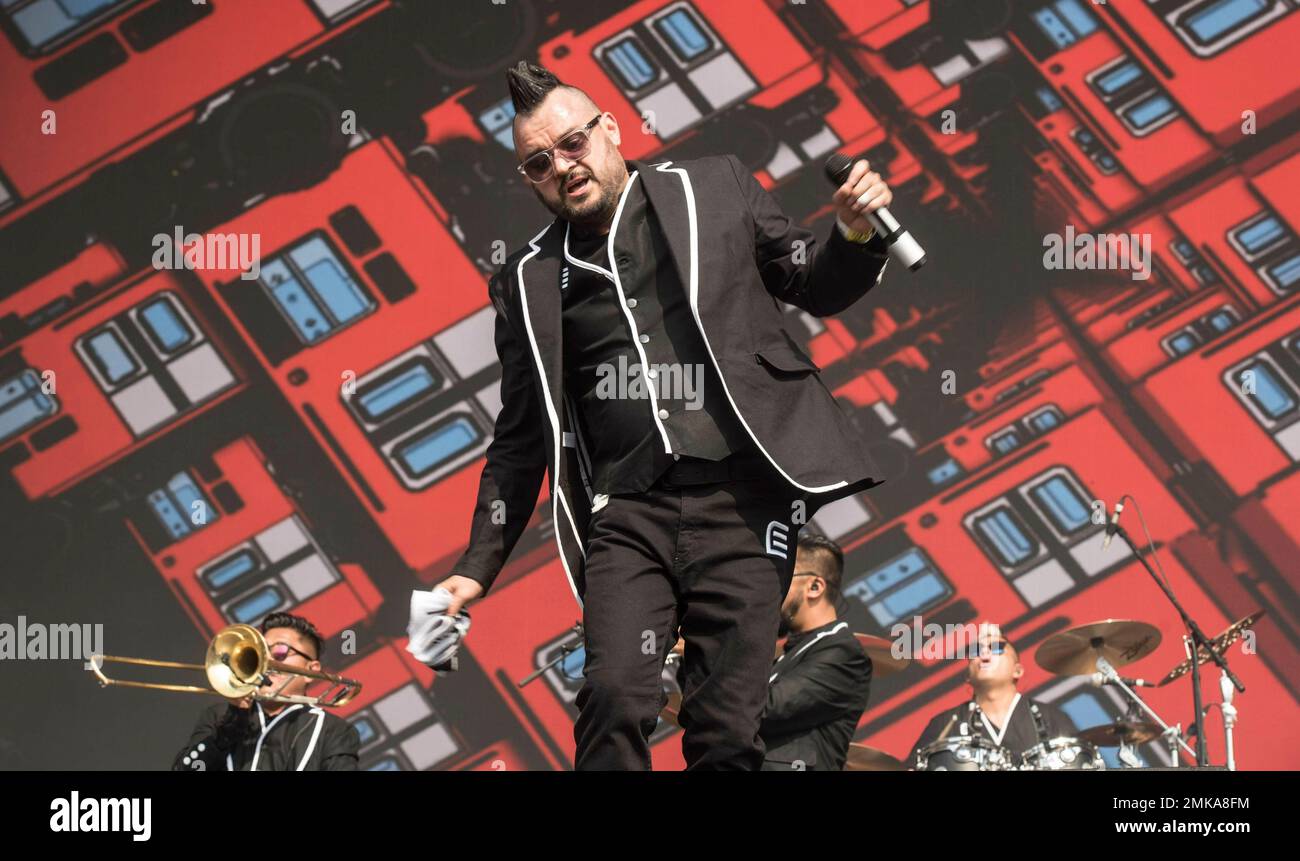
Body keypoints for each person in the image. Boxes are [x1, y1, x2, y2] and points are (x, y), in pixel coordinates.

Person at [434, 60, 892, 770]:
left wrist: (856, 235)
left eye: (574, 142)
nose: (564, 166)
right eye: (539, 162)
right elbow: (522, 436)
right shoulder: (526, 279)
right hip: (628, 515)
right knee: (615, 695)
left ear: (610, 129)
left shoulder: (714, 186)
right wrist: (474, 567)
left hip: (742, 501)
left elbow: (811, 278)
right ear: (529, 180)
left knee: (727, 728)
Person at [172, 613, 360, 771]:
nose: (267, 661)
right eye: (262, 652)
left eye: (280, 652)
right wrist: (227, 730)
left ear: (311, 670)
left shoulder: (333, 730)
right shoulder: (218, 716)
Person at [761, 534, 872, 771]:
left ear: (814, 587)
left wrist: (717, 653)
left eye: (781, 578)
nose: (771, 590)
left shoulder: (843, 653)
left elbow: (766, 708)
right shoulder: (787, 655)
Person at [907, 627, 1076, 768]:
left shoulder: (1051, 718)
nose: (984, 654)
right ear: (968, 676)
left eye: (996, 647)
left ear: (1017, 670)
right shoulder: (944, 723)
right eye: (976, 651)